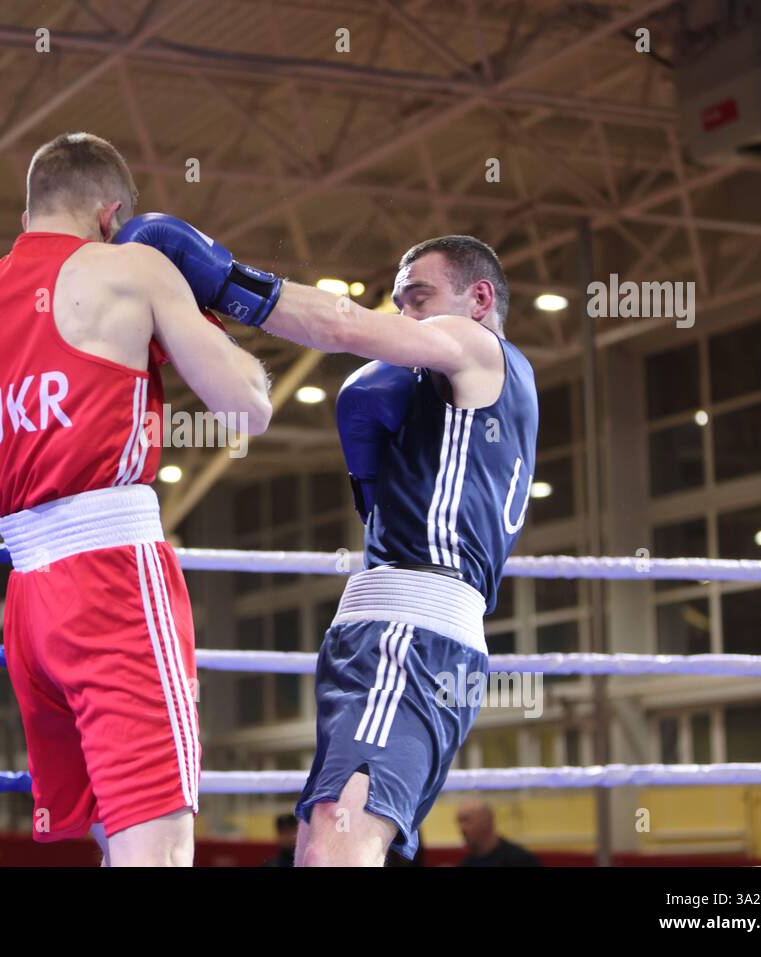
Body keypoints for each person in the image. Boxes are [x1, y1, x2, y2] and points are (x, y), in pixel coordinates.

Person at [117, 217, 538, 867]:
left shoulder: (473, 345)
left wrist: (226, 281)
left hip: (406, 631)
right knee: (329, 836)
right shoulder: (495, 389)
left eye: (418, 298)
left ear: (478, 300)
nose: (405, 317)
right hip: (406, 633)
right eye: (399, 303)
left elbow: (341, 326)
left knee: (338, 845)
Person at [0, 132, 271, 867]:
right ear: (111, 212)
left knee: (110, 838)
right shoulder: (133, 267)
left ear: (29, 212)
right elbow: (248, 406)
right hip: (113, 585)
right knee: (159, 849)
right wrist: (207, 298)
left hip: (29, 599)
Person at [455, 800, 541, 866]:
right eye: (459, 822)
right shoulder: (466, 864)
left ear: (486, 821)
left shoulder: (520, 861)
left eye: (466, 820)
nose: (462, 829)